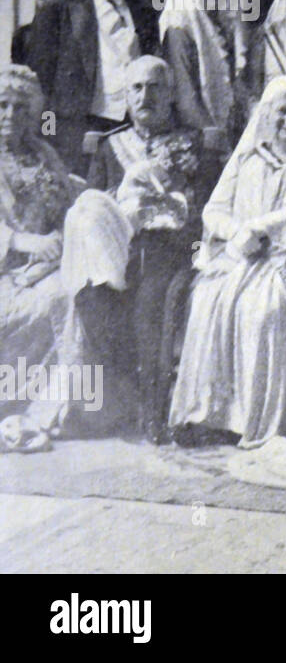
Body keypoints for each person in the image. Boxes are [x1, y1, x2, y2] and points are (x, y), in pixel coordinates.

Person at [169, 76, 286, 447]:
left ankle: (258, 421)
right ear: (267, 115)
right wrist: (235, 232)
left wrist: (259, 227)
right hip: (245, 256)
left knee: (264, 310)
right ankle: (209, 414)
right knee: (206, 300)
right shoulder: (247, 159)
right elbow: (214, 210)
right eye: (282, 111)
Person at [61, 56, 220, 439]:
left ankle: (153, 408)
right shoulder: (110, 146)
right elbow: (94, 204)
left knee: (151, 301)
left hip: (173, 248)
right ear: (126, 96)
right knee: (91, 298)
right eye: (136, 88)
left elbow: (208, 208)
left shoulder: (195, 142)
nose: (145, 95)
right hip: (117, 252)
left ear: (170, 94)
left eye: (154, 87)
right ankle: (123, 398)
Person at [25, 0, 160, 172]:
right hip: (74, 137)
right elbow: (40, 85)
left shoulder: (142, 13)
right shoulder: (58, 10)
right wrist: (49, 139)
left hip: (129, 133)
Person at [0, 66, 82, 451]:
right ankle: (22, 407)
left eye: (21, 108)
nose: (11, 116)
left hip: (41, 268)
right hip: (6, 266)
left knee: (69, 294)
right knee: (54, 301)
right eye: (3, 106)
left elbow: (70, 209)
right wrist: (24, 242)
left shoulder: (44, 154)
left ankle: (47, 411)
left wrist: (57, 244)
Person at [159, 0, 256, 141]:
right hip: (197, 132)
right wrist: (212, 134)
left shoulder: (224, 21)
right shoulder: (179, 27)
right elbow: (185, 97)